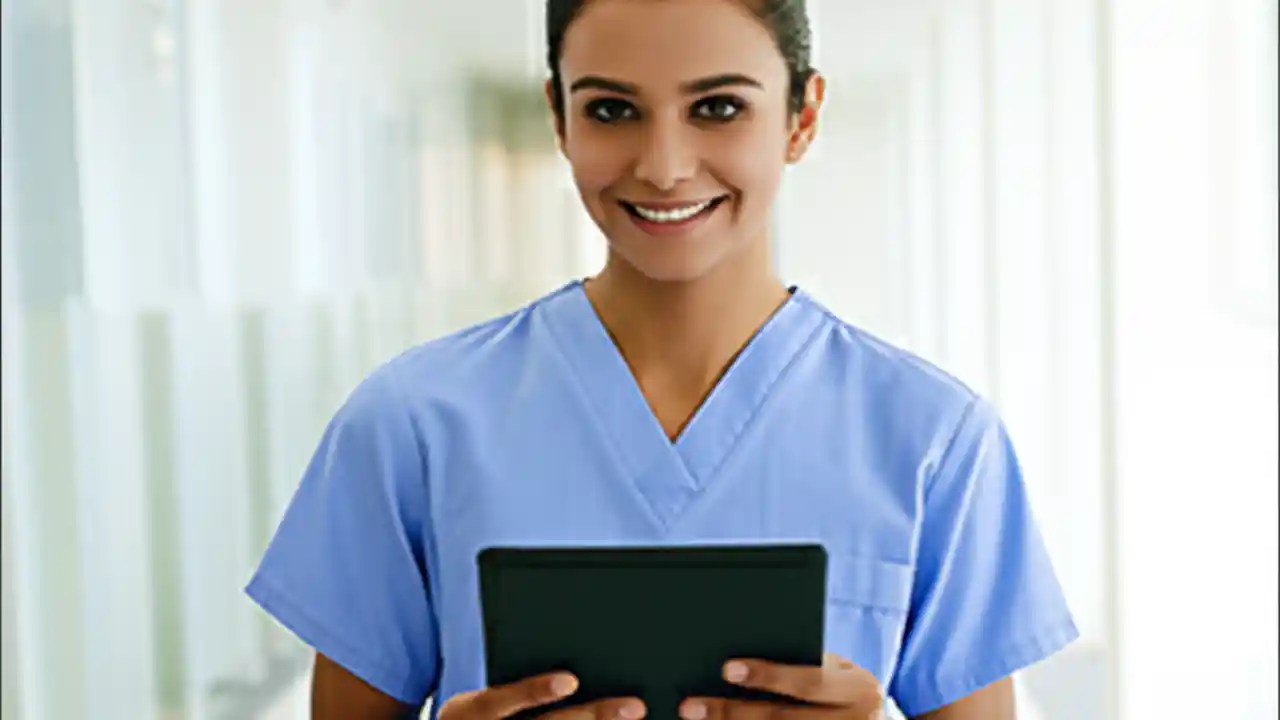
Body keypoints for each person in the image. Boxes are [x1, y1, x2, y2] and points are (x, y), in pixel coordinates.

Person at [245, 0, 1079, 718]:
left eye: (718, 108)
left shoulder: (934, 441)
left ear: (802, 117)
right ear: (559, 118)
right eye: (612, 110)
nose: (664, 167)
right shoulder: (411, 425)